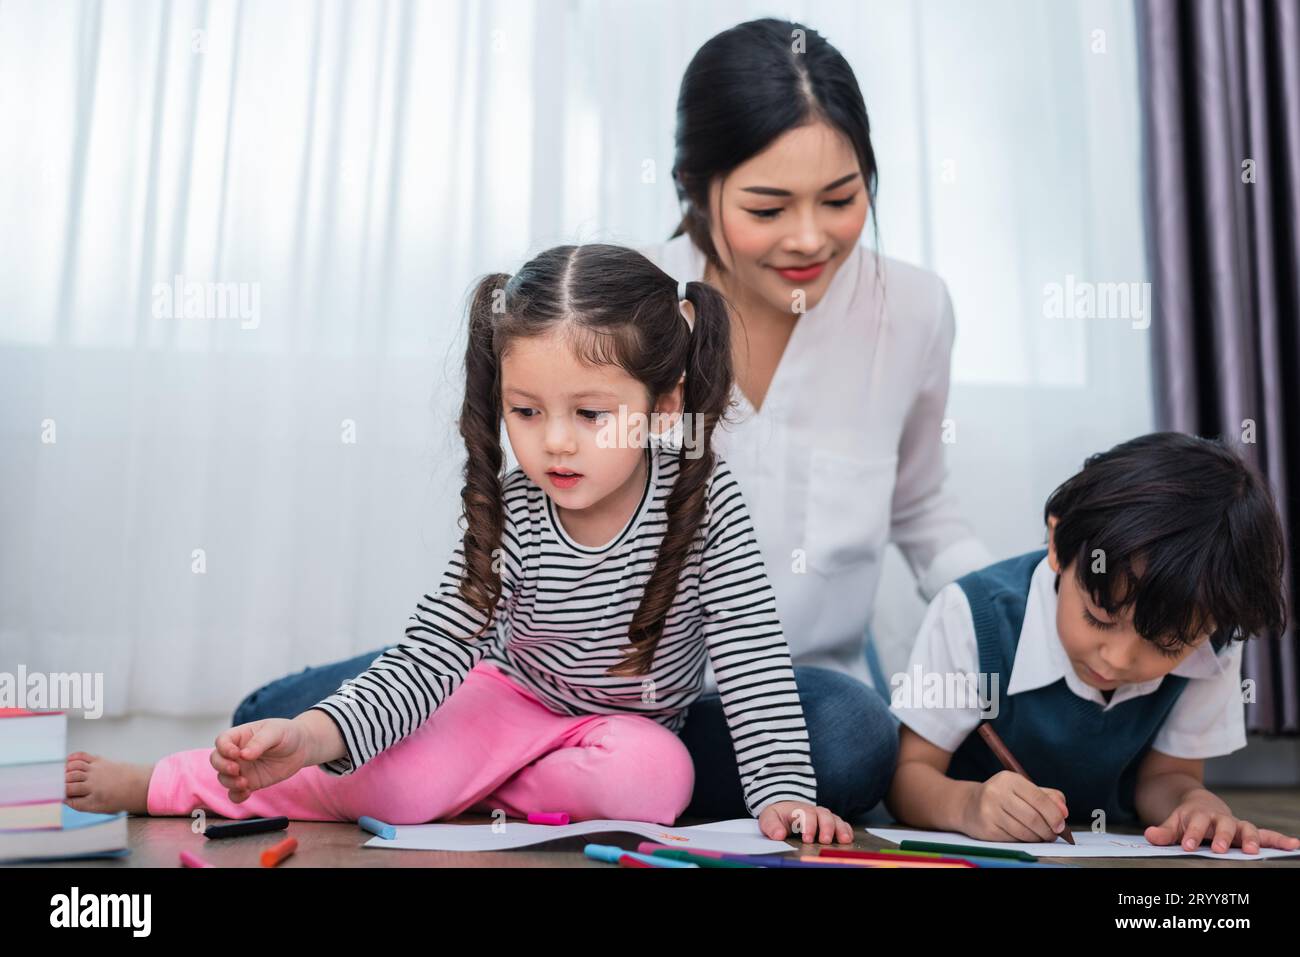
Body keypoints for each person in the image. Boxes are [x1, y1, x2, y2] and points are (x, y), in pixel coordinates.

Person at [65, 243, 853, 843]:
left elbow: (751, 656)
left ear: (664, 403)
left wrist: (783, 791)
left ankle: (469, 784)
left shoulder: (705, 501)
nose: (555, 445)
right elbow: (431, 652)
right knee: (398, 786)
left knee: (655, 781)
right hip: (506, 697)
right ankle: (166, 782)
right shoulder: (514, 511)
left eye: (589, 414)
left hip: (624, 729)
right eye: (527, 411)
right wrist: (310, 735)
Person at [886, 432, 1300, 854]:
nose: (1118, 659)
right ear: (1057, 543)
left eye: (1168, 645)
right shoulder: (970, 616)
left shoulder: (1210, 642)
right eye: (1099, 616)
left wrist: (1194, 804)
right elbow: (907, 776)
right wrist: (968, 806)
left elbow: (1165, 778)